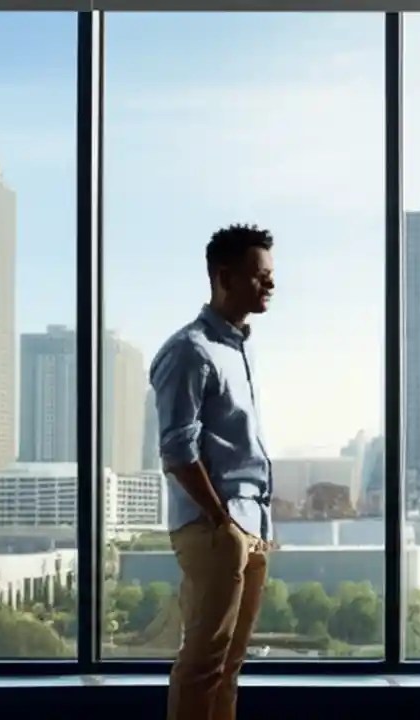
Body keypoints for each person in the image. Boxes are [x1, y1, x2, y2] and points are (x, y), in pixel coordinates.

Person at [151, 224, 276, 720]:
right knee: (203, 666)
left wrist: (254, 526)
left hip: (249, 527)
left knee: (228, 666)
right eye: (260, 276)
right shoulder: (190, 350)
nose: (270, 285)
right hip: (214, 530)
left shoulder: (237, 348)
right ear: (225, 276)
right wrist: (223, 521)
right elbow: (177, 448)